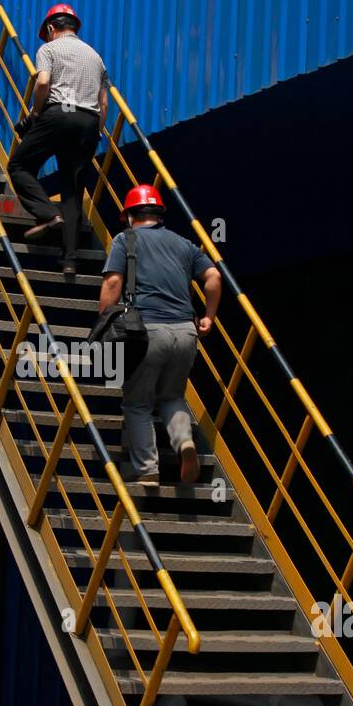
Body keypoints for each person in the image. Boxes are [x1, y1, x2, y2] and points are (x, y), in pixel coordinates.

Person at [98, 185, 222, 486]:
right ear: (159, 214)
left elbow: (114, 283)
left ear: (129, 216)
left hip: (148, 331)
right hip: (186, 332)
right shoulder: (184, 244)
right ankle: (184, 443)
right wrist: (208, 316)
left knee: (137, 403)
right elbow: (214, 277)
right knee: (172, 396)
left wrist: (103, 320)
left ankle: (147, 468)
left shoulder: (124, 240)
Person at [8, 4, 109, 278]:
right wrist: (96, 131)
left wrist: (36, 113)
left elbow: (43, 83)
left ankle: (48, 215)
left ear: (52, 28)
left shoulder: (49, 50)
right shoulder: (96, 57)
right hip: (89, 121)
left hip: (59, 114)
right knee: (73, 191)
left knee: (18, 166)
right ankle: (70, 261)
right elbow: (104, 102)